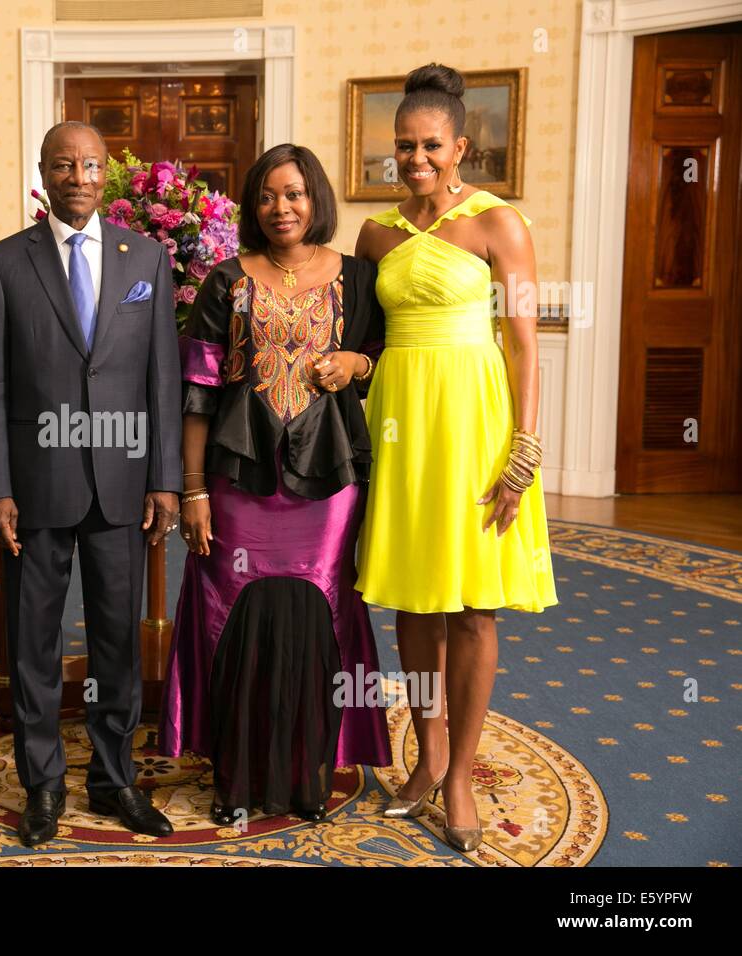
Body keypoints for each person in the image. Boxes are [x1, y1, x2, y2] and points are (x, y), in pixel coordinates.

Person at [354, 63, 558, 853]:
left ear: (460, 144)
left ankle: (463, 772)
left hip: (475, 425)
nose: (415, 159)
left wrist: (525, 446)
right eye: (403, 146)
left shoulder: (499, 224)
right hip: (401, 426)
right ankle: (428, 754)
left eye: (430, 145)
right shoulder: (377, 234)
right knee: (414, 599)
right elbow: (361, 344)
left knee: (473, 605)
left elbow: (524, 344)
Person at [161, 144, 393, 824]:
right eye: (267, 196)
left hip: (329, 481)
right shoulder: (226, 280)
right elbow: (198, 393)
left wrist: (355, 360)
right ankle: (233, 779)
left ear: (315, 197)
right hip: (238, 478)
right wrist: (194, 490)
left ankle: (306, 773)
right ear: (252, 207)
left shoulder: (358, 277)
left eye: (292, 194)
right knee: (233, 617)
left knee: (318, 617)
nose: (281, 207)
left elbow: (384, 357)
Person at [0, 121, 182, 847]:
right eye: (64, 165)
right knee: (34, 641)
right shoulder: (1, 265)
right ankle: (43, 783)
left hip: (124, 486)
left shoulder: (147, 258)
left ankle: (115, 777)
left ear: (106, 176)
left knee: (119, 642)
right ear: (44, 174)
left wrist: (166, 480)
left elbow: (162, 377)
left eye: (92, 164)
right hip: (35, 487)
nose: (80, 176)